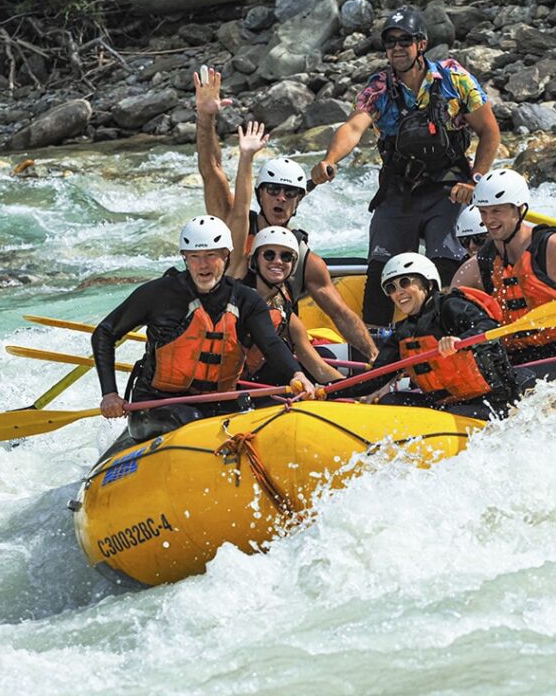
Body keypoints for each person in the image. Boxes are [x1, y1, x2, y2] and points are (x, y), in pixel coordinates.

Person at [309, 6, 501, 328]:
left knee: (445, 262)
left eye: (404, 41)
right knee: (382, 270)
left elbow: (489, 131)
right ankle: (375, 359)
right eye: (390, 42)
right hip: (399, 193)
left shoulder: (454, 78)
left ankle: (453, 336)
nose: (397, 48)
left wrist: (476, 181)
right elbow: (354, 127)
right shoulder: (379, 88)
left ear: (421, 44)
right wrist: (329, 160)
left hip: (448, 190)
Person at [194, 66, 377, 362]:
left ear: (299, 200)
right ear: (259, 194)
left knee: (353, 356)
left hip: (279, 353)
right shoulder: (233, 225)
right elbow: (211, 170)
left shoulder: (304, 259)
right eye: (273, 191)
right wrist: (206, 117)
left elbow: (341, 314)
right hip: (228, 349)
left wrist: (374, 358)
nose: (281, 198)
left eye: (289, 193)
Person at [92, 215, 315, 441]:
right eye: (194, 257)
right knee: (192, 419)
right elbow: (105, 332)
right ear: (185, 259)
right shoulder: (157, 294)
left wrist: (296, 374)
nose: (203, 265)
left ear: (226, 256)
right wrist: (110, 393)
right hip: (154, 406)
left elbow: (271, 343)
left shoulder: (246, 300)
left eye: (211, 255)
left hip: (218, 404)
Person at [451, 168, 556, 387]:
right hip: (515, 363)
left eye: (496, 211)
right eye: (483, 212)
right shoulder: (479, 266)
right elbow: (446, 310)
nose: (489, 220)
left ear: (519, 210)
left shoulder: (555, 249)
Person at [337, 253, 530, 420]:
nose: (398, 292)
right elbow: (374, 378)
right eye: (391, 288)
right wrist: (326, 391)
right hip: (446, 405)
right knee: (390, 400)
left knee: (454, 410)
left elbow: (488, 326)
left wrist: (460, 341)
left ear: (427, 283)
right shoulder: (403, 332)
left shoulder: (449, 306)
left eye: (405, 282)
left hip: (492, 401)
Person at [237, 225, 344, 386]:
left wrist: (352, 390)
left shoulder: (284, 310)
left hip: (254, 382)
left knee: (324, 355)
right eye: (269, 255)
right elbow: (238, 217)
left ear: (293, 265)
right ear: (254, 260)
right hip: (224, 388)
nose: (278, 261)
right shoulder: (234, 293)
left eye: (286, 256)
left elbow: (318, 367)